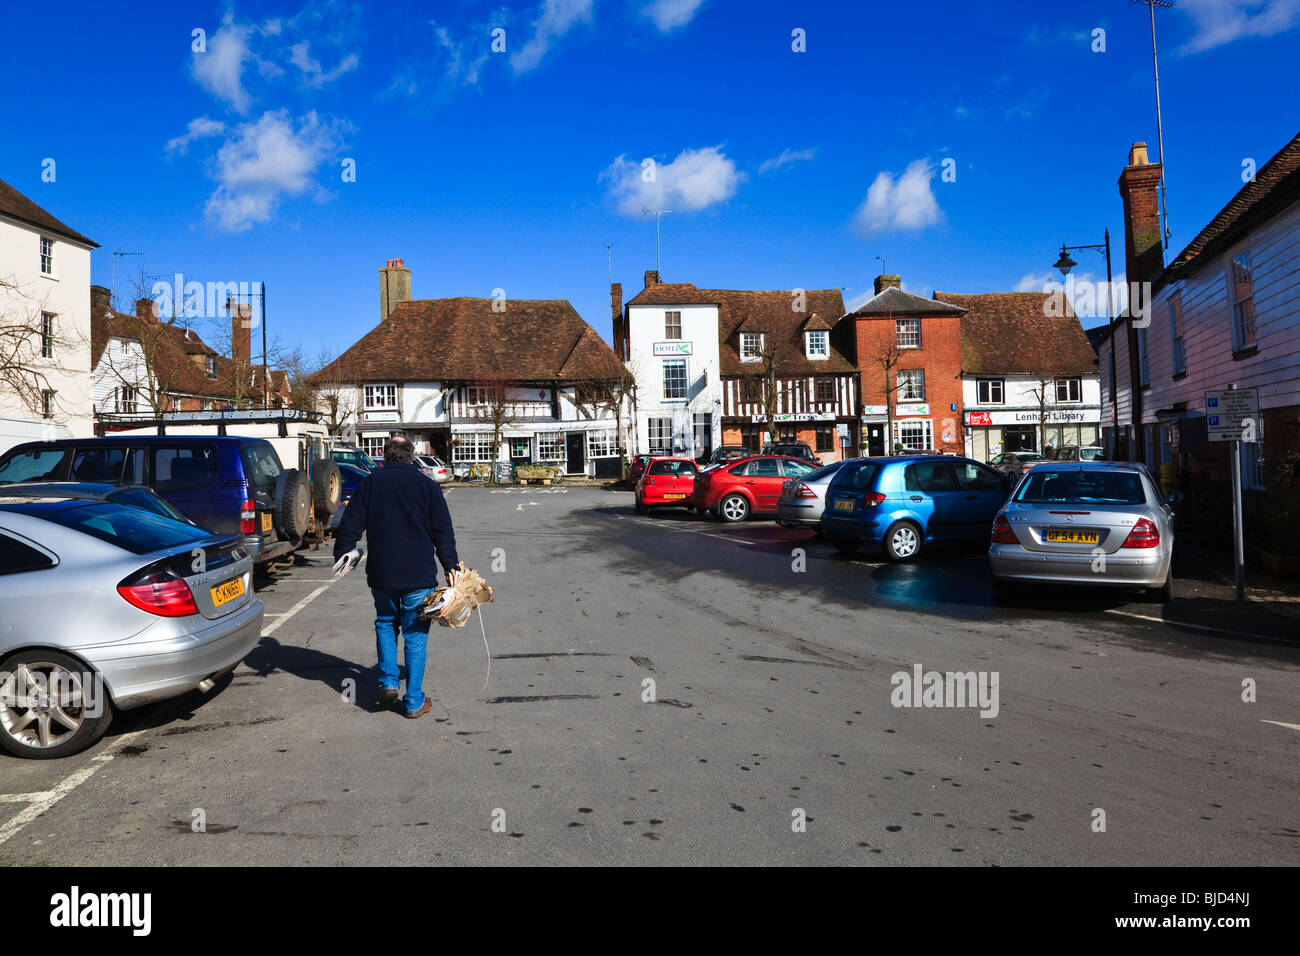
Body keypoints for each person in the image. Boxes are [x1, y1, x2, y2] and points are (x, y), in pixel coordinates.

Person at [332, 434, 459, 718]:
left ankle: (389, 681)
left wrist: (343, 552)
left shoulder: (371, 483)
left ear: (385, 455)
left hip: (383, 572)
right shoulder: (427, 486)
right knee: (415, 633)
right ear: (411, 455)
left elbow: (351, 522)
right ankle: (414, 700)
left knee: (386, 622)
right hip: (418, 573)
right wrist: (452, 567)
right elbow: (443, 533)